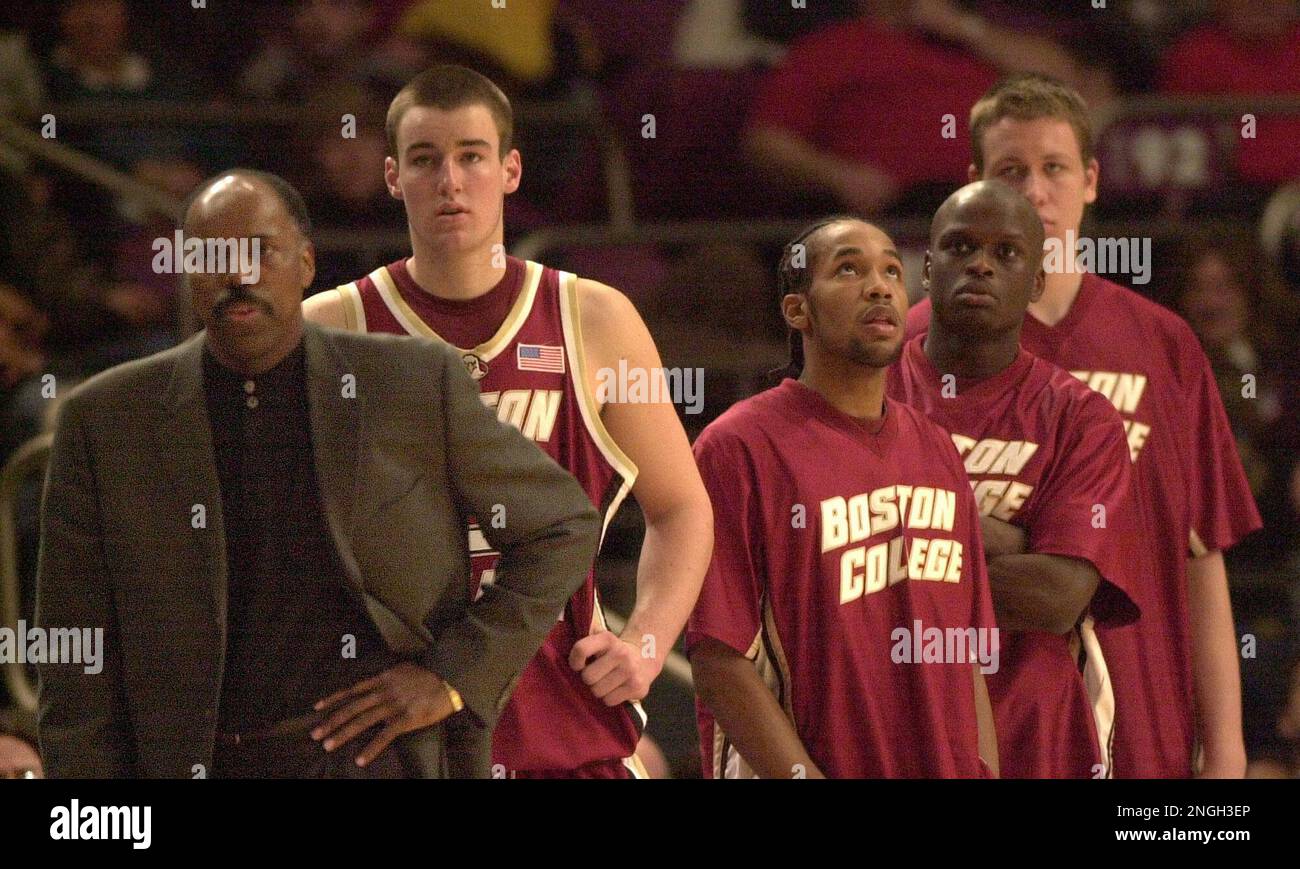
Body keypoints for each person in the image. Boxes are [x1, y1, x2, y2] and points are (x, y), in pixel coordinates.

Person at [34, 169, 601, 779]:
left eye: (260, 251)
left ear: (305, 263)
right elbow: (75, 648)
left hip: (382, 761)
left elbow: (560, 527)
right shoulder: (106, 419)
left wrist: (453, 676)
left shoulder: (411, 382)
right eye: (212, 256)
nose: (239, 275)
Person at [302, 66, 713, 778]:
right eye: (427, 160)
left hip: (564, 716)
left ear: (511, 169)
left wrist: (646, 644)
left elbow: (681, 506)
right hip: (397, 718)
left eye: (472, 155)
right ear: (394, 177)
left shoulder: (594, 317)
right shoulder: (333, 324)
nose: (451, 180)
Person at [906, 74, 1262, 778]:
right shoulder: (912, 346)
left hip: (1140, 706)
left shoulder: (1162, 343)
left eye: (1054, 168)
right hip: (954, 710)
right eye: (1011, 171)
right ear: (975, 182)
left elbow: (1201, 555)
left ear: (1093, 180)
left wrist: (1226, 748)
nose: (1035, 190)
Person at [687, 216, 998, 778]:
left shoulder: (937, 450)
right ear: (797, 311)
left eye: (891, 271)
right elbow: (717, 658)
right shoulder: (737, 448)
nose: (878, 286)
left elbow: (967, 654)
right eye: (848, 269)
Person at [889, 181, 1139, 777]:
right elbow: (818, 578)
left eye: (1006, 253)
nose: (979, 263)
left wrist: (906, 540)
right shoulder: (863, 394)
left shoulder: (1082, 418)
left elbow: (1056, 598)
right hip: (882, 721)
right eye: (960, 247)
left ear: (1035, 281)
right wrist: (1008, 539)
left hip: (1033, 734)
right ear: (928, 267)